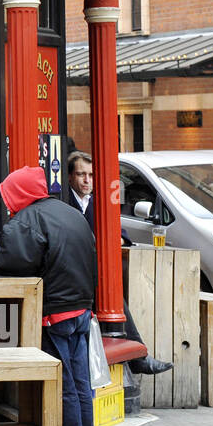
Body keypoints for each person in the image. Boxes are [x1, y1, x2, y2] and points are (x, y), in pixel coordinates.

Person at [0, 165, 97, 426]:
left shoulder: (26, 219)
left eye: (8, 196)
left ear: (18, 194)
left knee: (61, 383)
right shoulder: (69, 212)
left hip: (53, 310)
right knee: (80, 378)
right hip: (81, 307)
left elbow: (9, 261)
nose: (6, 204)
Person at [66, 151, 173, 377]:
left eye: (91, 175)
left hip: (93, 273)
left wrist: (119, 238)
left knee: (114, 293)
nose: (87, 180)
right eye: (81, 174)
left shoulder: (100, 201)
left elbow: (119, 232)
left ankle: (138, 357)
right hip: (72, 275)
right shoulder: (63, 201)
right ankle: (139, 359)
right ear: (69, 177)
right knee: (111, 294)